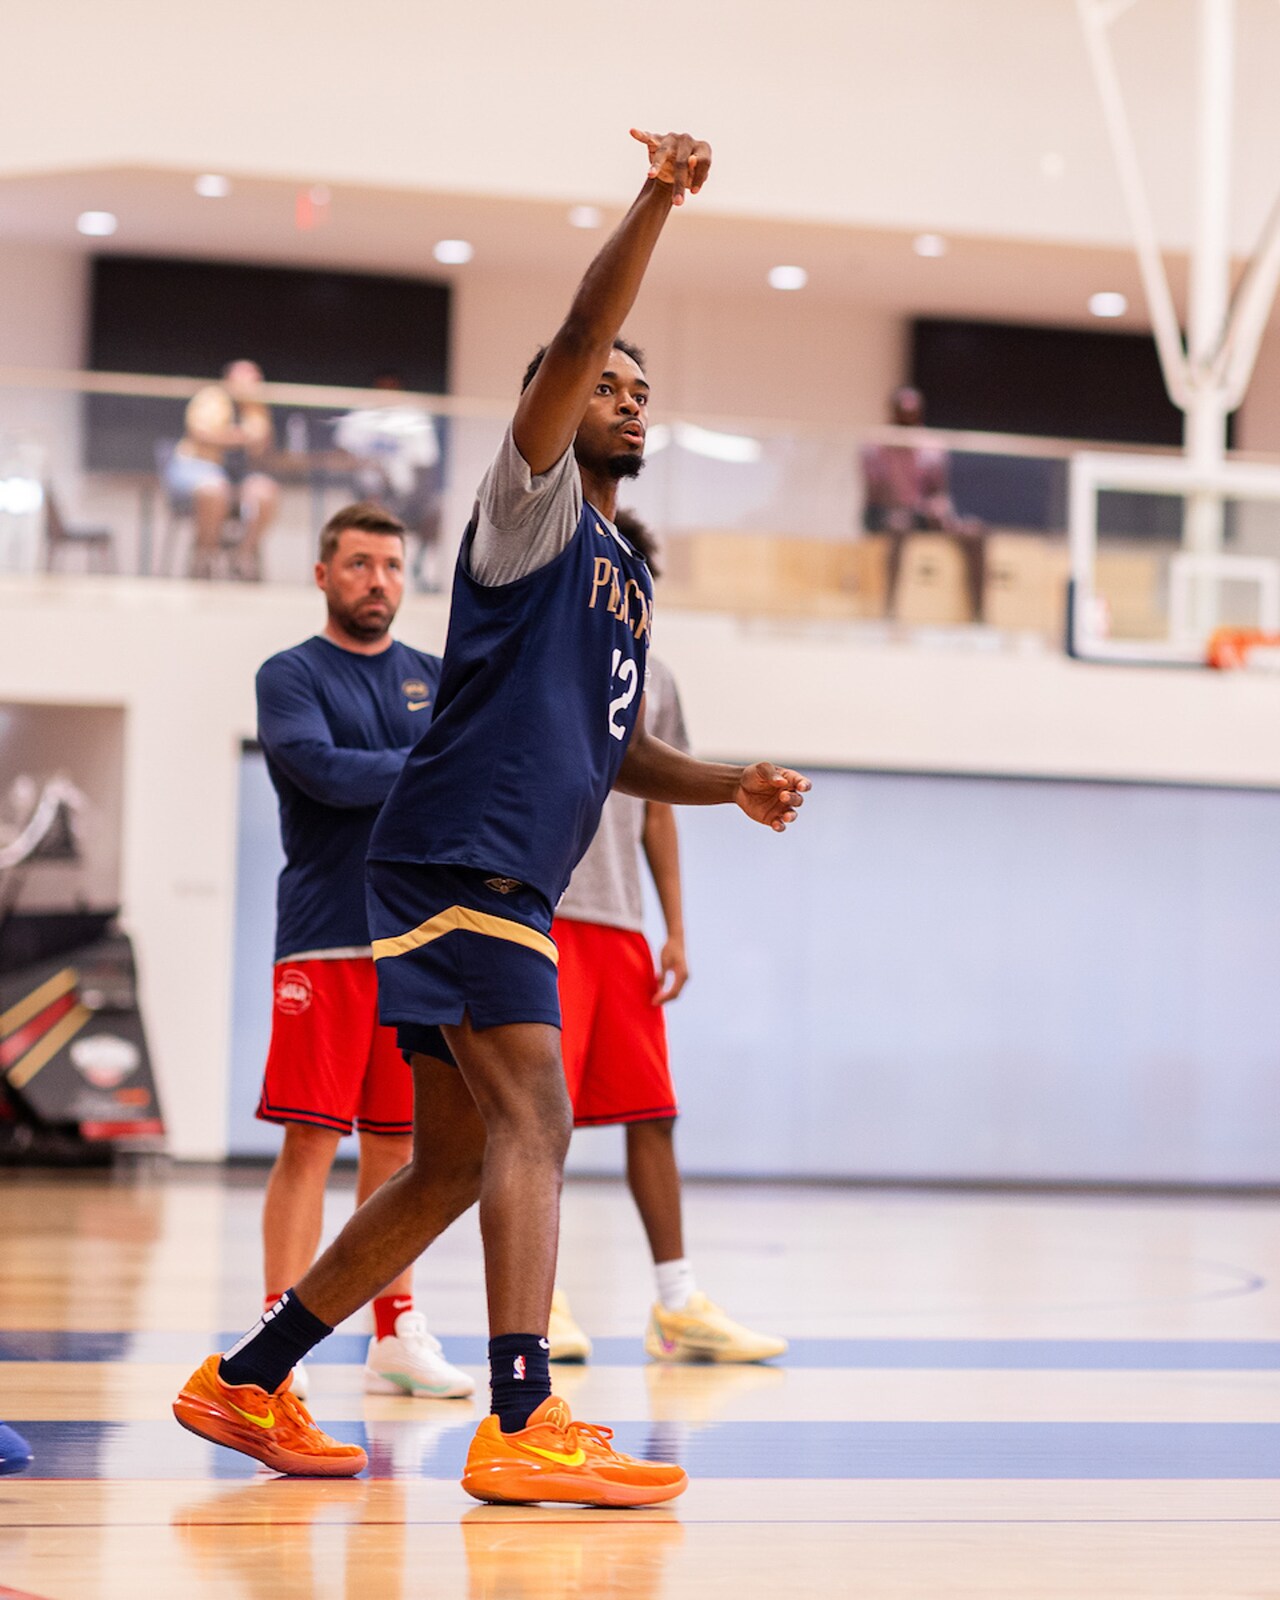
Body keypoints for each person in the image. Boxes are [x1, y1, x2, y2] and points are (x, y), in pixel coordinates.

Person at [174, 126, 810, 1508]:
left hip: (486, 862)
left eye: (643, 391)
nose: (627, 399)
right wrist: (655, 199)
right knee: (544, 1110)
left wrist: (727, 782)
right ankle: (522, 1416)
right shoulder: (529, 510)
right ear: (556, 402)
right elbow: (580, 328)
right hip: (463, 852)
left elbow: (613, 745)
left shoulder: (627, 576)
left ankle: (248, 1378)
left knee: (455, 1162)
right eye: (607, 385)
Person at [549, 511, 787, 1368]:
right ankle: (539, 1302)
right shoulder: (549, 652)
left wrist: (675, 928)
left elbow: (659, 808)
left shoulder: (659, 678)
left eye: (640, 587)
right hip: (548, 913)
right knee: (543, 1121)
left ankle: (678, 1306)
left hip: (621, 925)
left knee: (653, 1112)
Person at [253, 499, 471, 1403]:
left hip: (414, 940)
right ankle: (276, 1337)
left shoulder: (432, 675)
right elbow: (323, 773)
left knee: (399, 1147)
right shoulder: (290, 675)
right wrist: (430, 768)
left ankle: (393, 1333)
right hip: (325, 938)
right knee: (311, 1140)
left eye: (390, 566)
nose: (377, 581)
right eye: (357, 564)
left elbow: (469, 776)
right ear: (322, 574)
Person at [860, 385, 986, 621]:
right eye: (902, 413)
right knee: (899, 524)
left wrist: (939, 510)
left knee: (974, 532)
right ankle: (889, 611)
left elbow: (938, 492)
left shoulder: (932, 446)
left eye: (912, 413)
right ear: (893, 412)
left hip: (920, 514)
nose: (907, 419)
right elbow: (874, 492)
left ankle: (978, 615)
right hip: (883, 514)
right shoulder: (875, 445)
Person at [164, 359, 280, 580]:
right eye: (247, 378)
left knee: (266, 491)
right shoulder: (211, 398)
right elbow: (202, 434)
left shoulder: (255, 406)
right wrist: (240, 437)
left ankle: (243, 556)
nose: (253, 383)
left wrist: (254, 439)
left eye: (256, 379)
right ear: (229, 379)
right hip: (198, 468)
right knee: (215, 489)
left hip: (238, 475)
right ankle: (205, 557)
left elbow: (262, 446)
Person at [333, 373, 444, 592]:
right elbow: (342, 456)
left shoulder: (414, 418)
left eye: (391, 389)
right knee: (361, 514)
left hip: (406, 497)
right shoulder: (360, 415)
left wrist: (407, 501)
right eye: (382, 388)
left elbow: (425, 467)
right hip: (366, 496)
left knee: (434, 511)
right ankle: (356, 573)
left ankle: (421, 569)